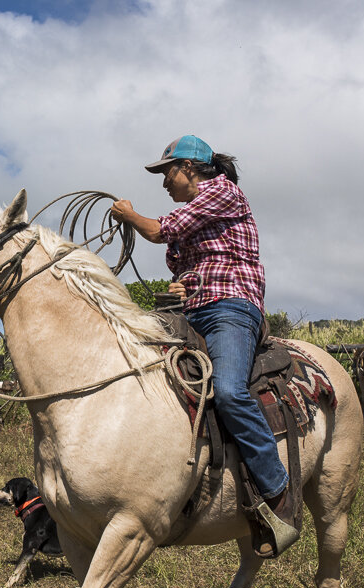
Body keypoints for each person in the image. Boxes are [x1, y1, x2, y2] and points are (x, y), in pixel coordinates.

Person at [109, 134, 296, 556]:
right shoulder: (196, 212)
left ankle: (277, 489)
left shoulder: (223, 193)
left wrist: (130, 214)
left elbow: (160, 232)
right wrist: (183, 282)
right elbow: (187, 258)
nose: (164, 183)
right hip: (194, 309)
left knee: (229, 390)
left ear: (189, 169)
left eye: (167, 173)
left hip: (230, 307)